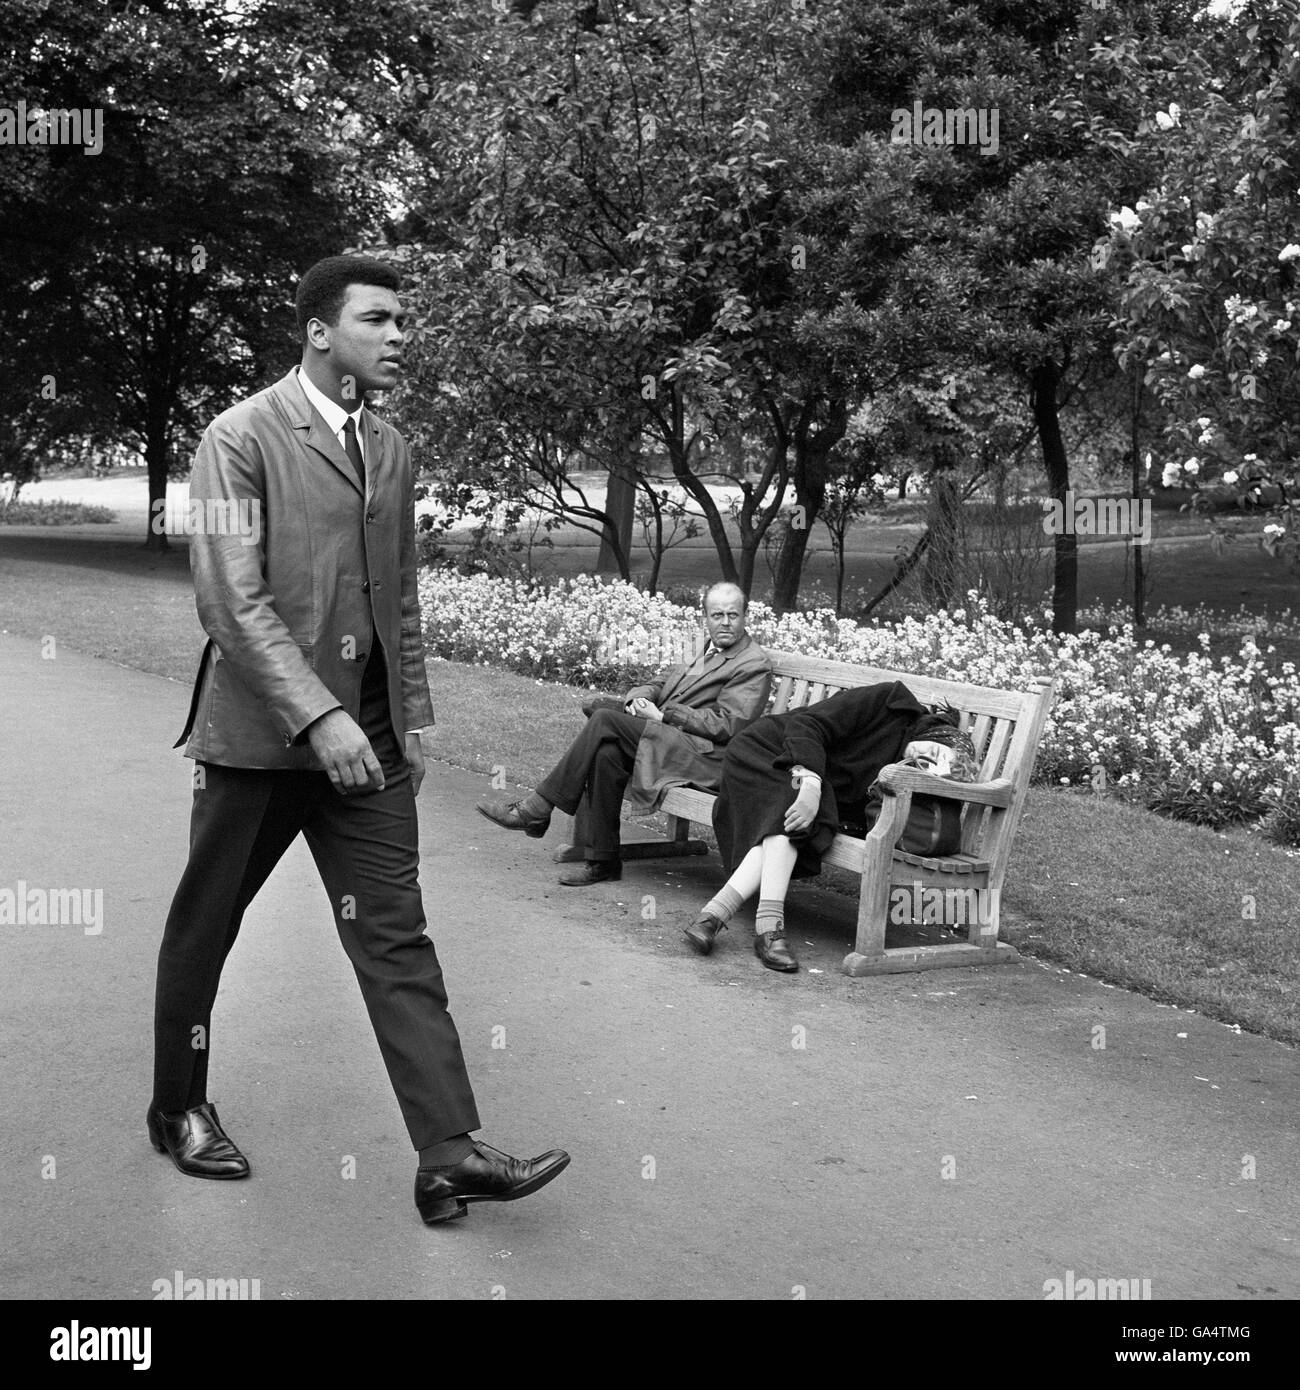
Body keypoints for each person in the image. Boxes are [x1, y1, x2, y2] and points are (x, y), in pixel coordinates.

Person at [151, 255, 568, 1226]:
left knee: (394, 937)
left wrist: (405, 713)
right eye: (377, 319)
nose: (396, 337)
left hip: (371, 746)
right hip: (258, 743)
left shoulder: (393, 446)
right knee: (204, 928)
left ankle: (448, 1152)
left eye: (400, 322)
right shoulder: (237, 436)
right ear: (318, 331)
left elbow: (401, 594)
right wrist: (319, 713)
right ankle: (176, 1106)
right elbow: (229, 598)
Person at [477, 582, 773, 884]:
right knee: (607, 752)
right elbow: (660, 682)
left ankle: (537, 808)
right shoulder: (700, 647)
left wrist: (663, 715)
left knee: (604, 720)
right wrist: (637, 700)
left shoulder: (752, 662)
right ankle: (603, 862)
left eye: (733, 615)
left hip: (704, 756)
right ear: (705, 617)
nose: (725, 622)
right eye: (717, 614)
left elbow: (728, 725)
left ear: (746, 615)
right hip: (667, 739)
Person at [684, 681, 977, 972]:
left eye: (930, 767)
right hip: (766, 751)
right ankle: (769, 931)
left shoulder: (896, 767)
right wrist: (810, 782)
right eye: (933, 753)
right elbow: (806, 723)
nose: (925, 762)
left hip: (795, 779)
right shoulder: (888, 700)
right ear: (932, 732)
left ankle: (712, 918)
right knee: (792, 814)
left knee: (792, 821)